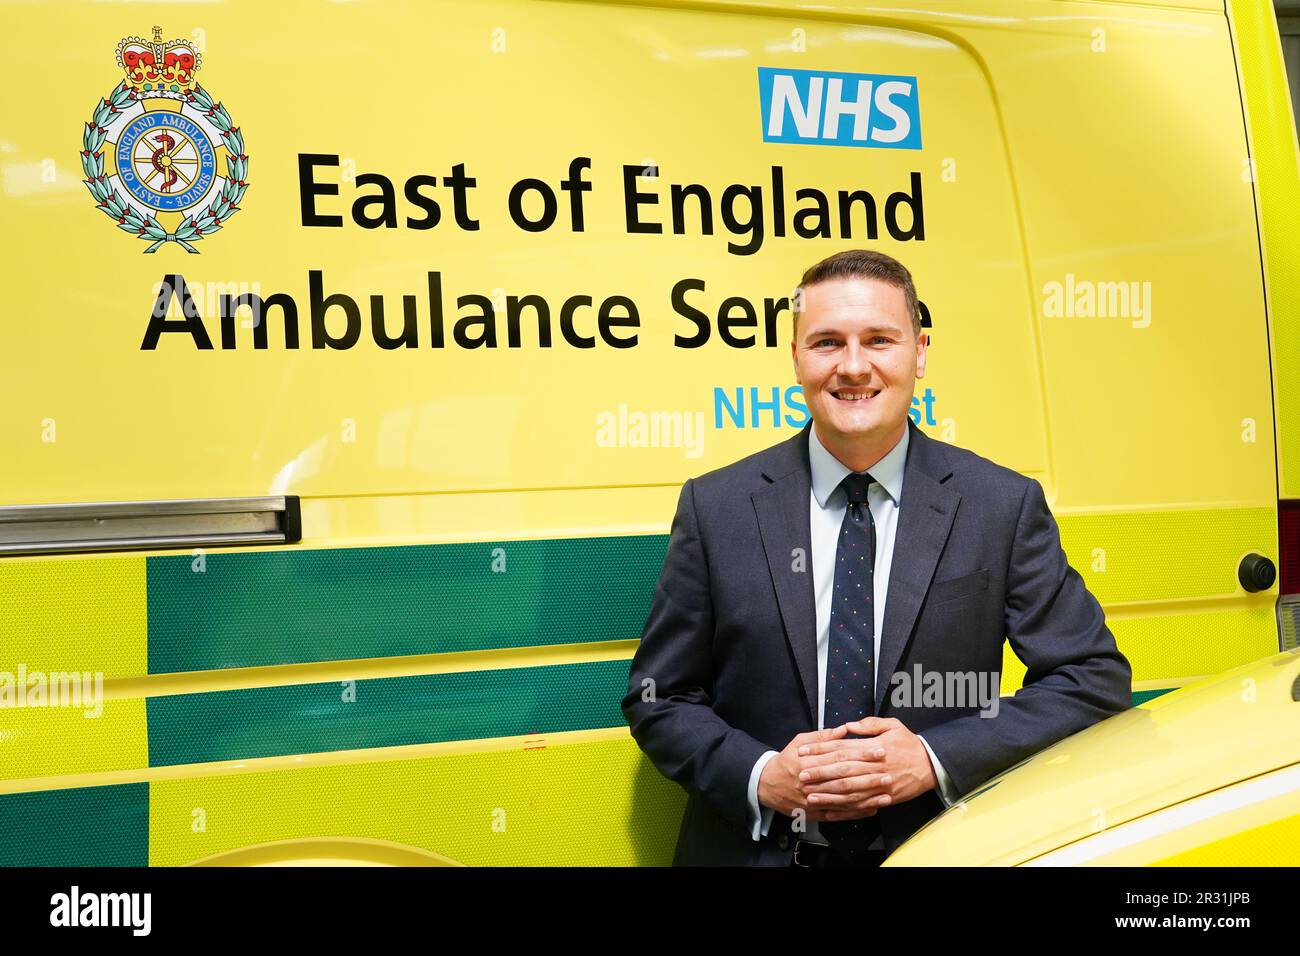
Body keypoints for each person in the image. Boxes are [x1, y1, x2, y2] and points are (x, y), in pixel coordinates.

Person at [621, 248, 1132, 867]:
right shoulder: (717, 507)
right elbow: (660, 696)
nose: (854, 367)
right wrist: (761, 778)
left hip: (937, 849)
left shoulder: (1000, 505)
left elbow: (1091, 679)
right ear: (796, 359)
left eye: (880, 340)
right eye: (827, 342)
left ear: (919, 352)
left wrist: (935, 757)